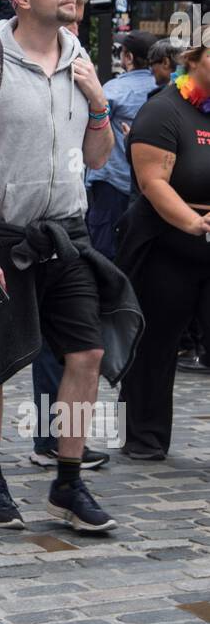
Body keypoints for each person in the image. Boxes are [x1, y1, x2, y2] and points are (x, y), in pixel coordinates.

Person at [0, 0, 142, 532]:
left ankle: (68, 482)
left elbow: (97, 158)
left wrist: (99, 103)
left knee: (88, 353)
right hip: (2, 236)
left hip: (67, 233)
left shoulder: (80, 60)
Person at [116, 45, 210, 459]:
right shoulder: (163, 111)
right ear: (193, 59)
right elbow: (153, 182)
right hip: (166, 243)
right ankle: (144, 437)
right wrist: (193, 223)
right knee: (155, 343)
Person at [85, 31, 157, 260]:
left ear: (128, 57)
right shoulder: (168, 90)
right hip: (153, 185)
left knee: (104, 252)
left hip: (112, 181)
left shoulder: (114, 90)